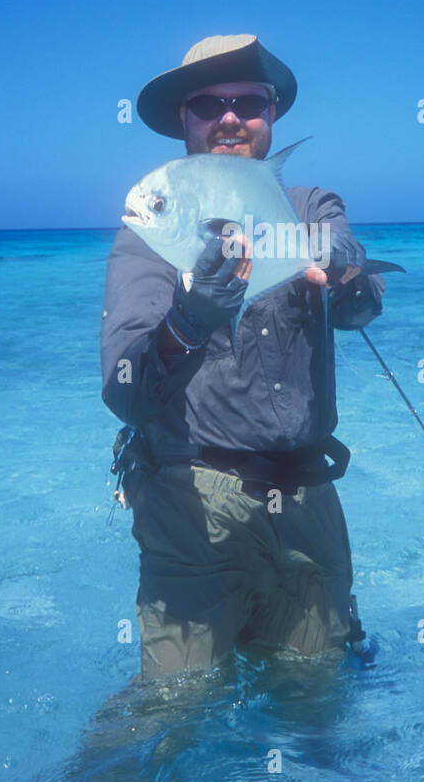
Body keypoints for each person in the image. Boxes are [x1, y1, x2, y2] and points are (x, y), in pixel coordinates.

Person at [100, 34, 385, 681]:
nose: (229, 116)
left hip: (308, 501)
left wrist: (347, 273)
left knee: (312, 703)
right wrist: (190, 315)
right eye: (209, 104)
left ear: (272, 113)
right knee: (172, 709)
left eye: (247, 102)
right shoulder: (148, 235)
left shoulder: (311, 206)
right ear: (185, 118)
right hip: (192, 505)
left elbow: (362, 305)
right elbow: (124, 390)